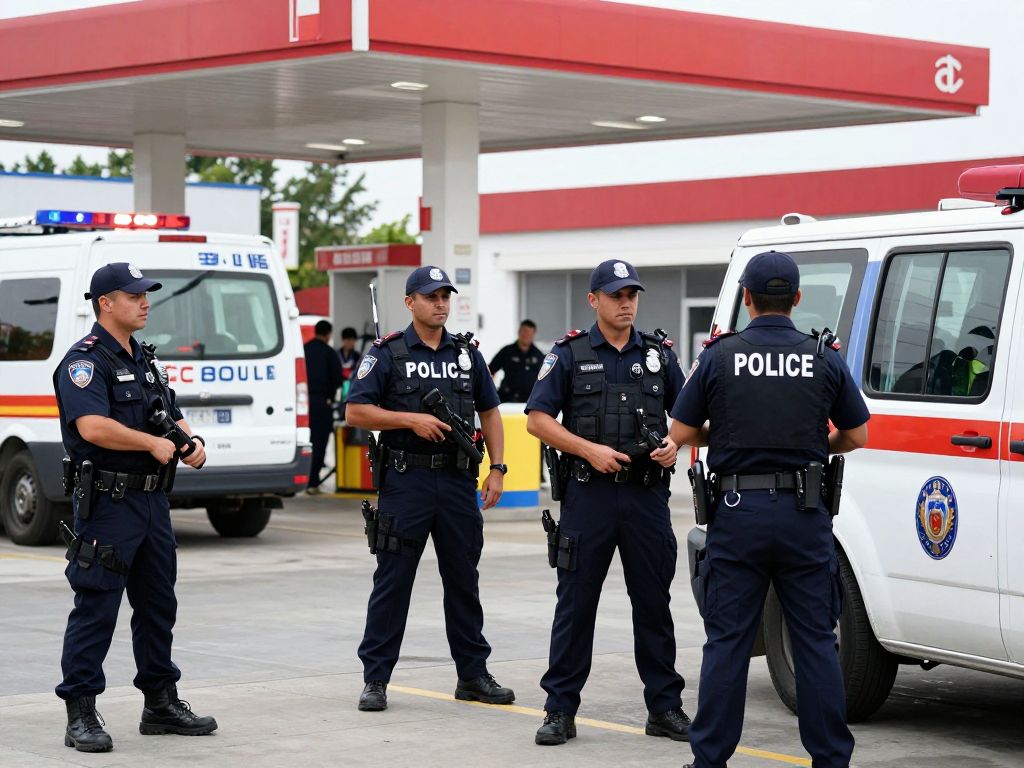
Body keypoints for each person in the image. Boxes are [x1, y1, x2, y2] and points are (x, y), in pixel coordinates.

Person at [670, 251, 869, 768]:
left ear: (748, 299)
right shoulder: (823, 357)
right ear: (797, 298)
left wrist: (732, 437)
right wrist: (810, 445)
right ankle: (831, 759)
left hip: (738, 515)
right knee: (815, 643)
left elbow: (682, 432)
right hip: (805, 517)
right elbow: (857, 434)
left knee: (729, 643)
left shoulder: (718, 356)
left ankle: (709, 759)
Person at [525, 259, 690, 746]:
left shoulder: (660, 354)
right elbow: (537, 419)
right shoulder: (570, 353)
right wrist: (587, 448)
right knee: (575, 606)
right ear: (593, 299)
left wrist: (674, 443)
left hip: (645, 497)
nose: (626, 303)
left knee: (653, 606)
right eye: (616, 295)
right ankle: (560, 710)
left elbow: (691, 415)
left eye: (632, 294)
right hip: (589, 497)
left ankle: (664, 708)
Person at [53, 262, 216, 753]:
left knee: (158, 604)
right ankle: (80, 711)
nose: (145, 302)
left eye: (146, 295)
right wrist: (150, 443)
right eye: (134, 295)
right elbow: (93, 427)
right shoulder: (85, 362)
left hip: (151, 501)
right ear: (106, 302)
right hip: (109, 502)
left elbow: (171, 412)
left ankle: (160, 702)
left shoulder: (144, 358)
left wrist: (191, 442)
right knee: (97, 605)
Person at [345, 265, 514, 713]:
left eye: (445, 296)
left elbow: (490, 411)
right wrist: (409, 419)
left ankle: (473, 675)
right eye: (431, 296)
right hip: (407, 482)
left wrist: (497, 468)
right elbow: (356, 411)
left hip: (458, 483)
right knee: (393, 582)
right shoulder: (386, 353)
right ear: (410, 303)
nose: (440, 304)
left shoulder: (466, 355)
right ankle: (376, 679)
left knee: (464, 581)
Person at [304, 319, 344, 494]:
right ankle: (313, 481)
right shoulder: (329, 353)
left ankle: (303, 478)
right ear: (328, 335)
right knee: (319, 443)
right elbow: (338, 379)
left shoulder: (303, 350)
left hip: (303, 404)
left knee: (305, 442)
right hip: (322, 404)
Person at [488, 319, 544, 403]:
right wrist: (489, 392)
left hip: (530, 401)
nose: (526, 335)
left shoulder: (538, 355)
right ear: (519, 332)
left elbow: (545, 378)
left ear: (533, 334)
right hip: (507, 399)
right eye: (524, 332)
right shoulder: (507, 351)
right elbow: (490, 371)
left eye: (529, 333)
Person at [338, 326, 362, 401]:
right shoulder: (336, 355)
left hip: (353, 388)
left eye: (353, 340)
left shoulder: (358, 356)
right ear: (343, 340)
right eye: (348, 340)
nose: (350, 343)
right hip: (339, 387)